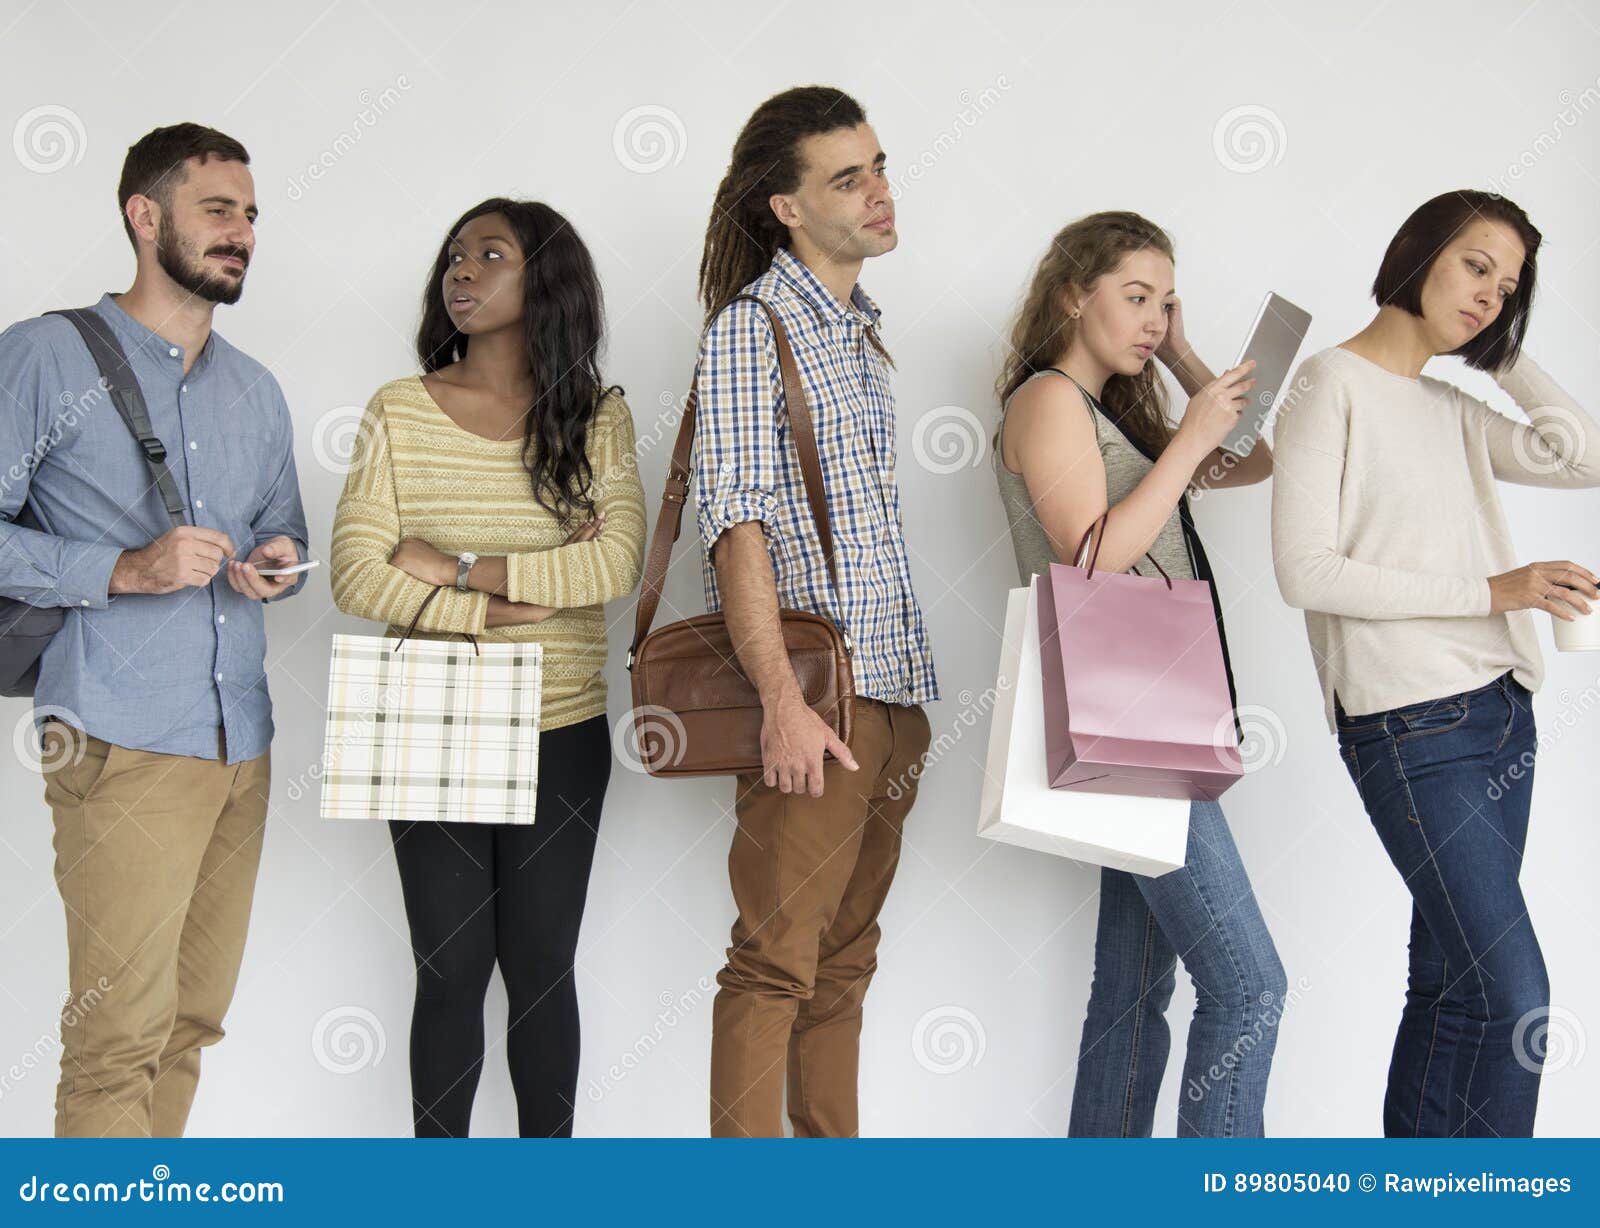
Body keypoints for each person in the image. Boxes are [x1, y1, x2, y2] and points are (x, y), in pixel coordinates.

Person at [0, 123, 310, 1137]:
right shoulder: (42, 357)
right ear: (145, 216)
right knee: (116, 1042)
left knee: (188, 1025)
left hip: (241, 744)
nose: (242, 233)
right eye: (218, 209)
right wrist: (124, 569)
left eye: (250, 215)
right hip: (120, 735)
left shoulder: (255, 387)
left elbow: (285, 530)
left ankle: (152, 1199)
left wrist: (276, 562)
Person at [1272, 189, 1600, 1137]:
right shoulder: (1328, 385)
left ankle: (1417, 1192)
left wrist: (1504, 352)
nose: (1491, 293)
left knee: (1455, 986)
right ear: (1418, 253)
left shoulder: (1451, 406)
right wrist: (1494, 590)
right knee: (1514, 995)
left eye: (1510, 286)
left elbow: (1583, 458)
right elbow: (1305, 572)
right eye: (1475, 266)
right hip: (1409, 724)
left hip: (1501, 712)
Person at [329, 197, 644, 1137]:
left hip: (562, 721)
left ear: (546, 278)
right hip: (429, 712)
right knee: (451, 972)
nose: (461, 271)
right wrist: (506, 606)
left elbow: (614, 564)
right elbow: (356, 573)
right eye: (455, 256)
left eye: (491, 254)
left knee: (542, 969)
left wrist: (451, 565)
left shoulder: (598, 416)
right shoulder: (398, 409)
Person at [993, 211, 1286, 1136]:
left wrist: (1184, 360)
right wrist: (1187, 442)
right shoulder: (1048, 400)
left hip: (1152, 713)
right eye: (1135, 296)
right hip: (1128, 719)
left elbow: (1256, 460)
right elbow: (1091, 558)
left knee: (1132, 990)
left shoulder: (1116, 412)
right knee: (1250, 986)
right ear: (1073, 298)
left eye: (1166, 301)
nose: (1154, 316)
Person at [692, 86, 938, 1137]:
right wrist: (782, 705)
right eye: (847, 178)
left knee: (843, 963)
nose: (878, 191)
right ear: (787, 209)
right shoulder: (753, 330)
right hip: (818, 703)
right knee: (774, 967)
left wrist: (902, 713)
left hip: (890, 694)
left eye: (878, 166)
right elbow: (736, 526)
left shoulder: (858, 335)